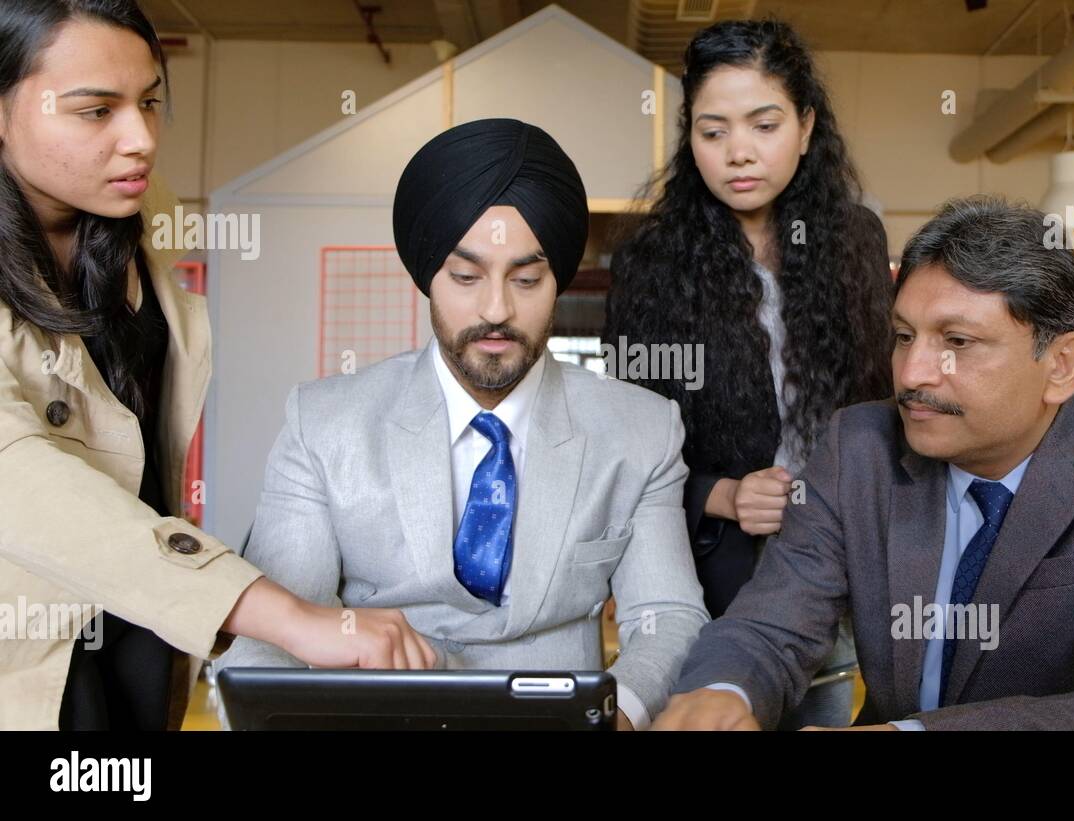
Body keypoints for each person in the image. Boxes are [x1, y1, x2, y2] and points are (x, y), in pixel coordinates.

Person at [654, 196, 1074, 731]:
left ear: (1062, 366)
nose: (913, 374)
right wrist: (721, 690)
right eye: (904, 336)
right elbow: (773, 622)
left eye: (957, 342)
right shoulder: (857, 445)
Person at [0, 0, 433, 731]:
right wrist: (285, 614)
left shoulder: (139, 211)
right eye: (95, 111)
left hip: (140, 627)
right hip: (29, 654)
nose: (139, 139)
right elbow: (22, 476)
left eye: (149, 103)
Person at [216, 118, 710, 731]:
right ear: (427, 276)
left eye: (527, 279)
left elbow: (668, 616)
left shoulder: (641, 429)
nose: (497, 310)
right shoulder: (325, 423)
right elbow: (281, 622)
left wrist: (621, 719)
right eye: (466, 276)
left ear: (559, 280)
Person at [603, 18, 893, 729]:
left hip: (837, 565)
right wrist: (723, 493)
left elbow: (880, 406)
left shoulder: (856, 239)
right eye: (713, 131)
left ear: (805, 124)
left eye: (764, 125)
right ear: (689, 137)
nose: (739, 153)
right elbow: (623, 438)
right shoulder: (652, 261)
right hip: (714, 577)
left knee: (827, 706)